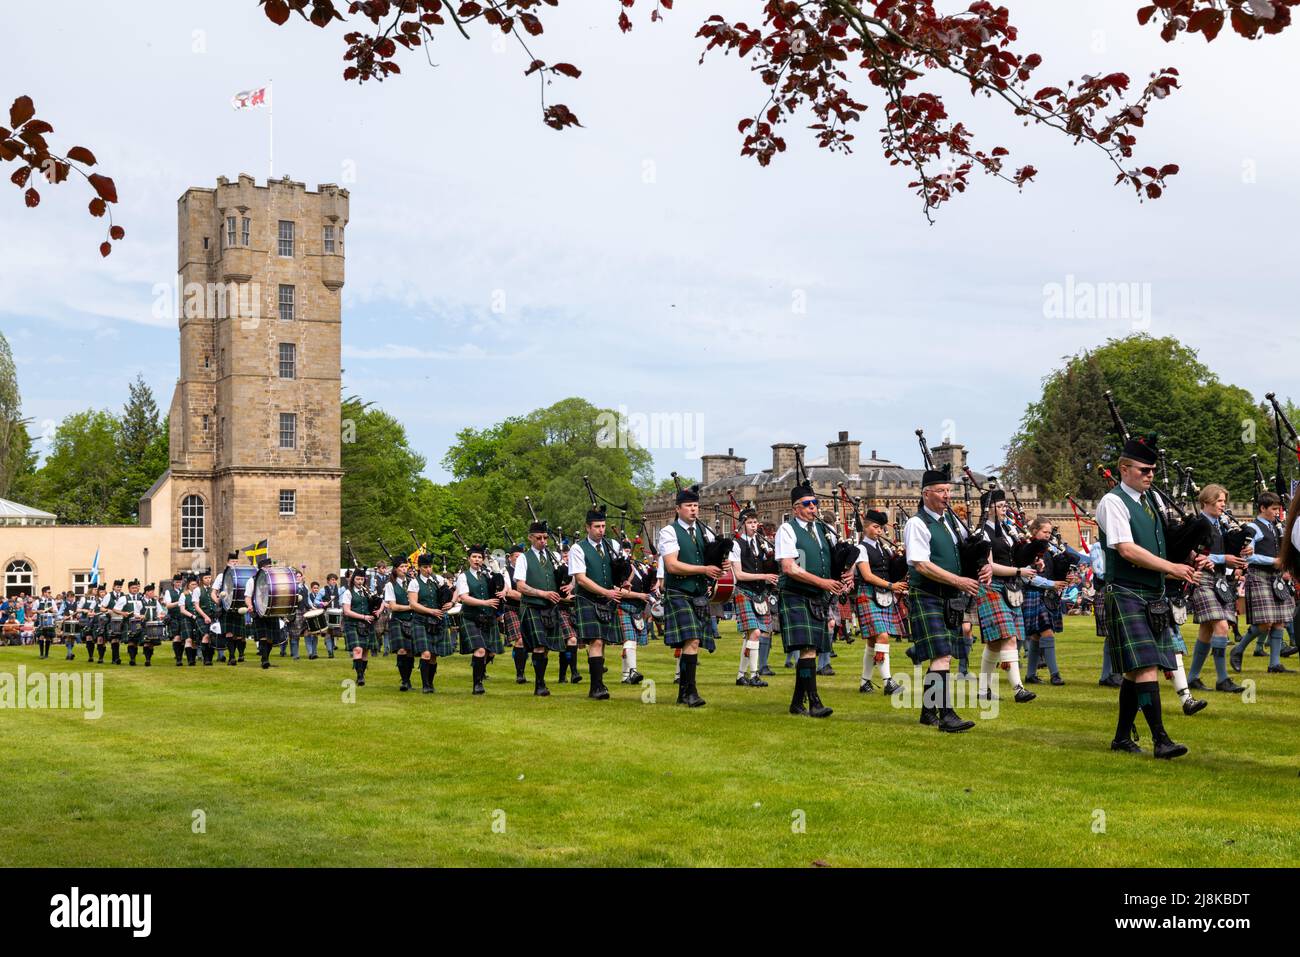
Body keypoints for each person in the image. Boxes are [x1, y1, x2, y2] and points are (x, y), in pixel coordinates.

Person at [1095, 432, 1201, 759]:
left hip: (1150, 593)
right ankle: (1160, 739)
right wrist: (1171, 567)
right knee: (1146, 667)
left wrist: (1188, 555)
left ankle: (1121, 738)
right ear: (1124, 469)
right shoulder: (1113, 502)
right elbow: (1126, 549)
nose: (1150, 475)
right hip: (1125, 590)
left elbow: (1160, 542)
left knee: (1133, 673)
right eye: (1144, 470)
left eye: (1153, 470)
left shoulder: (1150, 502)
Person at [903, 468, 984, 732]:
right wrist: (958, 580)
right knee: (943, 656)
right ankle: (947, 714)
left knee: (942, 656)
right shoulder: (917, 524)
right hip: (927, 595)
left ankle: (928, 713)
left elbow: (964, 553)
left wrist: (983, 566)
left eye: (949, 491)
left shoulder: (949, 522)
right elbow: (921, 565)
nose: (947, 496)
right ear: (926, 494)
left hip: (949, 597)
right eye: (941, 491)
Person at [775, 481, 845, 718]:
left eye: (815, 503)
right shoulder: (787, 530)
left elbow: (831, 562)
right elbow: (789, 567)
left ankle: (797, 703)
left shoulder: (822, 530)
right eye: (808, 504)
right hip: (795, 593)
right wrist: (823, 582)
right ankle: (814, 702)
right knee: (808, 648)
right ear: (796, 508)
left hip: (817, 595)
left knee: (811, 648)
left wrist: (842, 576)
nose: (813, 508)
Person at [657, 485, 729, 707]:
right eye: (689, 506)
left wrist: (719, 564)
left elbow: (709, 559)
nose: (694, 510)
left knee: (694, 640)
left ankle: (684, 692)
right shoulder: (669, 532)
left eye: (696, 505)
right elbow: (672, 565)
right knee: (693, 639)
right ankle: (690, 692)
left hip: (698, 594)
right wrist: (704, 570)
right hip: (679, 591)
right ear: (678, 509)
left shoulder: (703, 531)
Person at [975, 492, 1038, 704]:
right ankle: (1018, 689)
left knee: (994, 643)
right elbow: (990, 566)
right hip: (991, 587)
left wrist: (1032, 562)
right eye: (1000, 505)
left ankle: (984, 689)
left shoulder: (1007, 531)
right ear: (989, 508)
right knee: (1009, 637)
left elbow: (1015, 558)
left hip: (1010, 587)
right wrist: (1020, 572)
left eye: (1005, 505)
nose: (1004, 509)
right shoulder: (982, 533)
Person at [1185, 485, 1248, 694]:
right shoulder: (1197, 523)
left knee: (1206, 630)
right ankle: (1222, 679)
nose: (1223, 505)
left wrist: (1239, 556)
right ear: (1207, 501)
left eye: (1224, 501)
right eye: (1220, 501)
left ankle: (1192, 677)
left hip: (1220, 579)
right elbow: (1188, 551)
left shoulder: (1221, 525)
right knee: (1221, 626)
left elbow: (1222, 554)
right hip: (1202, 579)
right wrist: (1222, 558)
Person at [1231, 491, 1297, 674]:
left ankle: (1274, 664)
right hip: (1259, 575)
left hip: (1276, 577)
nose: (1277, 512)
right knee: (1265, 623)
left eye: (1279, 509)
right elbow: (1248, 556)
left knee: (1279, 621)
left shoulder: (1275, 527)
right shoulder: (1253, 528)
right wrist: (1273, 561)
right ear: (1262, 508)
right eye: (1274, 509)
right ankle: (1238, 649)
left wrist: (1284, 567)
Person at [568, 508, 624, 700]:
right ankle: (596, 687)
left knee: (603, 642)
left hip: (607, 600)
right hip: (588, 599)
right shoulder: (578, 548)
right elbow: (581, 579)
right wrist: (606, 591)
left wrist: (625, 578)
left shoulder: (612, 545)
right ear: (587, 527)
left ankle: (598, 682)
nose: (601, 530)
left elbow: (623, 571)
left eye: (603, 526)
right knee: (597, 641)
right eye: (597, 527)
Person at [852, 509, 906, 697]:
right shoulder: (860, 549)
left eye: (881, 528)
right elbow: (867, 575)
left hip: (883, 595)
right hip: (867, 594)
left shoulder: (884, 549)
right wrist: (892, 586)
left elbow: (891, 570)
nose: (879, 531)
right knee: (883, 636)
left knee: (872, 642)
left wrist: (901, 558)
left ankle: (865, 682)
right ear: (866, 526)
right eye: (875, 527)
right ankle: (888, 682)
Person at [515, 521, 568, 696]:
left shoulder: (554, 557)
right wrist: (543, 594)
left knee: (545, 648)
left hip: (550, 608)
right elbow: (520, 586)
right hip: (532, 606)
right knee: (538, 646)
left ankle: (541, 680)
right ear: (531, 538)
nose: (543, 541)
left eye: (545, 538)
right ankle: (539, 684)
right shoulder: (524, 558)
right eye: (539, 538)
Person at [730, 507, 776, 688]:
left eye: (755, 522)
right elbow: (739, 575)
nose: (753, 526)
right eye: (749, 522)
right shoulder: (736, 544)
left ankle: (741, 675)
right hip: (744, 591)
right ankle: (754, 674)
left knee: (751, 636)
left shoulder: (761, 543)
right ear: (742, 525)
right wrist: (764, 577)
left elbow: (768, 565)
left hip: (760, 593)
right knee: (755, 633)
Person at [457, 545, 505, 695]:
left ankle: (480, 674)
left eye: (479, 557)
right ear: (469, 559)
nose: (477, 560)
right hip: (470, 617)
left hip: (488, 617)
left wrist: (497, 573)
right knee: (480, 649)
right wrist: (485, 603)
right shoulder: (463, 576)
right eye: (474, 557)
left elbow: (499, 589)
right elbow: (463, 597)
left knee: (489, 652)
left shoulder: (487, 575)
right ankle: (477, 684)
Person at [408, 554, 454, 693]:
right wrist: (430, 611)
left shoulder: (438, 579)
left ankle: (431, 682)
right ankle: (425, 685)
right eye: (425, 567)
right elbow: (413, 604)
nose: (428, 569)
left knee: (434, 656)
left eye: (430, 566)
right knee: (426, 654)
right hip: (421, 620)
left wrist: (449, 603)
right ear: (419, 567)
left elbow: (450, 593)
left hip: (437, 621)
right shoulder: (414, 582)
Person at [342, 567, 378, 686]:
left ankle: (361, 675)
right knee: (358, 649)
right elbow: (346, 611)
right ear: (353, 580)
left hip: (366, 625)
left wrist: (378, 610)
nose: (360, 581)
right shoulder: (348, 593)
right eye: (357, 579)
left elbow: (381, 604)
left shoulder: (367, 593)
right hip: (352, 624)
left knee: (365, 652)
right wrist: (363, 617)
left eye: (362, 579)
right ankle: (360, 676)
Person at [383, 558, 415, 691]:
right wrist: (411, 607)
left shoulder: (412, 582)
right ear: (396, 569)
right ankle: (404, 681)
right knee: (402, 650)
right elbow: (393, 606)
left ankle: (408, 680)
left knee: (411, 651)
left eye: (405, 566)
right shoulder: (390, 585)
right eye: (401, 566)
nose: (404, 569)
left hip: (413, 620)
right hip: (398, 620)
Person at [33, 586, 57, 660]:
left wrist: (53, 610)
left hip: (49, 622)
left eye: (50, 592)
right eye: (48, 592)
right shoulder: (38, 601)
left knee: (48, 637)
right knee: (41, 636)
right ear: (44, 593)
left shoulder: (52, 601)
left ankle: (46, 654)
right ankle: (41, 654)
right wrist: (38, 611)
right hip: (41, 621)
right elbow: (33, 611)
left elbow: (56, 611)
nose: (50, 594)